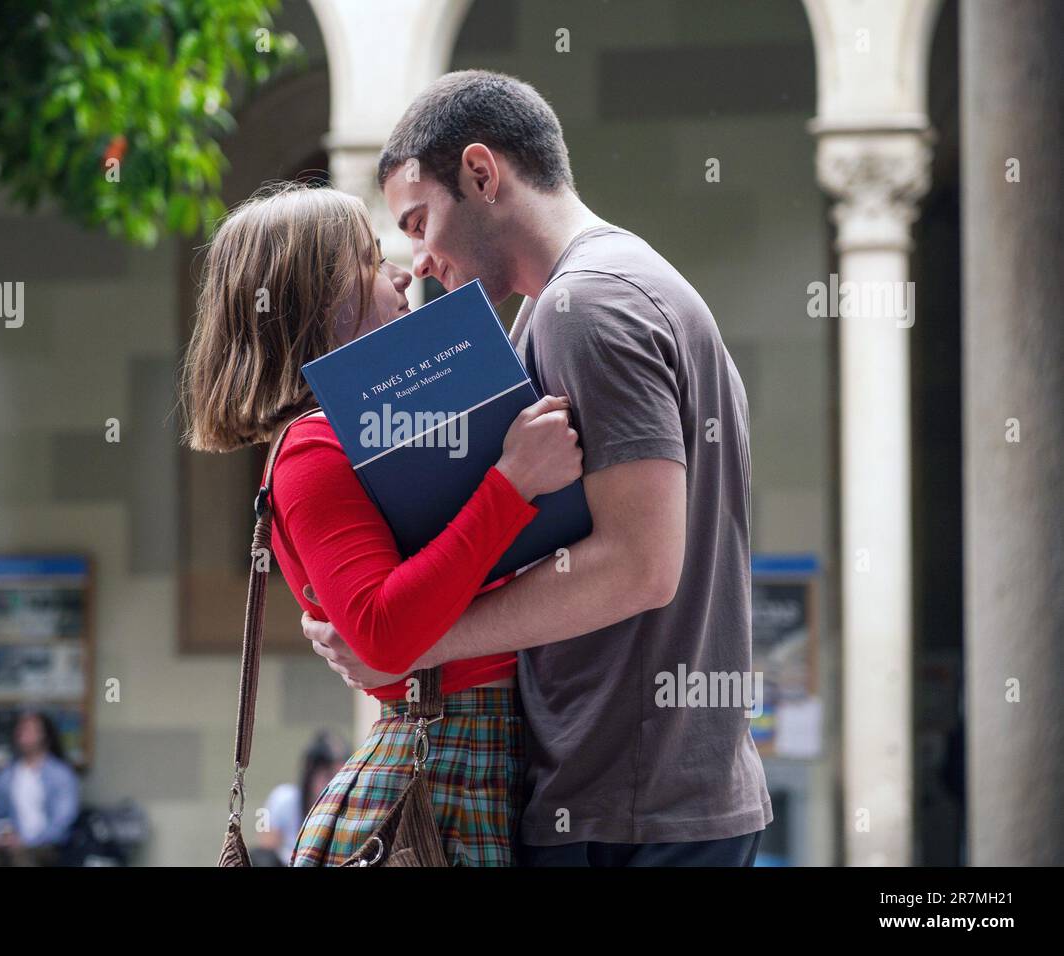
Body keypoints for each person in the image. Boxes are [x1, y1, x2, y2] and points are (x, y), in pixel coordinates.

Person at [303, 70, 773, 867]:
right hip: (643, 800)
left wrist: (418, 643)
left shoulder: (584, 306)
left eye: (420, 222)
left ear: (483, 174)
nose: (416, 262)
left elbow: (639, 566)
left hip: (627, 811)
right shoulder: (600, 291)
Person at [182, 182, 583, 865]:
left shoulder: (349, 436)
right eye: (370, 261)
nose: (401, 273)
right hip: (438, 776)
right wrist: (512, 483)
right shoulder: (311, 447)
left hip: (462, 762)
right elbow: (383, 629)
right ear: (318, 301)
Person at [0, 711, 80, 866]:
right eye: (21, 729)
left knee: (22, 858)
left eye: (30, 730)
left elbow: (61, 823)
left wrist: (26, 840)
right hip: (9, 841)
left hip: (46, 844)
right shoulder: (6, 774)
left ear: (45, 736)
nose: (23, 734)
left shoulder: (61, 775)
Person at [254, 730, 349, 866]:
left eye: (341, 778)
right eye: (328, 775)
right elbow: (264, 846)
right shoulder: (281, 798)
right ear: (310, 775)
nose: (335, 785)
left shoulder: (348, 808)